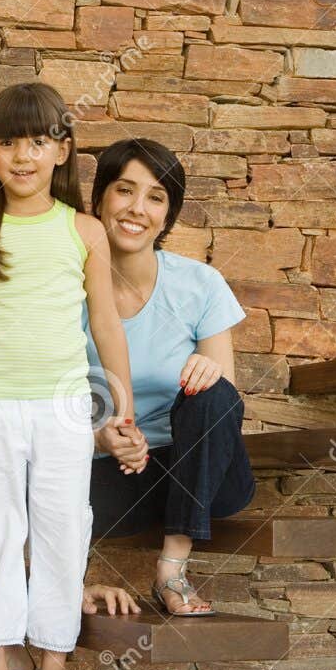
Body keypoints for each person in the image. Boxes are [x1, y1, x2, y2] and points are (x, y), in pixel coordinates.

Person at [0, 81, 138, 670]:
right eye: (8, 141)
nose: (23, 154)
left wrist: (123, 403)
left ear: (62, 150)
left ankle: (53, 668)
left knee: (61, 530)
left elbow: (105, 323)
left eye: (38, 140)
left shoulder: (83, 230)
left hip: (61, 410)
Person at [83, 138, 256, 615]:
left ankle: (173, 570)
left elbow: (224, 407)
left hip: (203, 476)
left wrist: (209, 369)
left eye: (156, 197)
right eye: (124, 190)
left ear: (168, 215)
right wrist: (102, 439)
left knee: (212, 391)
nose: (137, 209)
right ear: (99, 199)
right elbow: (53, 407)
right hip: (119, 477)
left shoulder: (199, 285)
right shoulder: (64, 293)